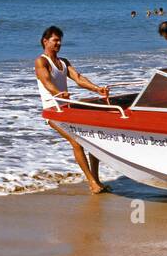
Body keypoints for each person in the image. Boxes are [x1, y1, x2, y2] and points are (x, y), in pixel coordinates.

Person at [34, 25, 110, 194]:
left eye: (60, 40)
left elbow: (78, 78)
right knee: (77, 142)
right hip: (52, 111)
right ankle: (91, 182)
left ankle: (96, 180)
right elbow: (46, 82)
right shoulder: (41, 61)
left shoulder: (63, 62)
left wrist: (97, 89)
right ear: (45, 41)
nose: (58, 43)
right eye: (55, 40)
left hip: (67, 108)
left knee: (92, 140)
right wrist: (58, 93)